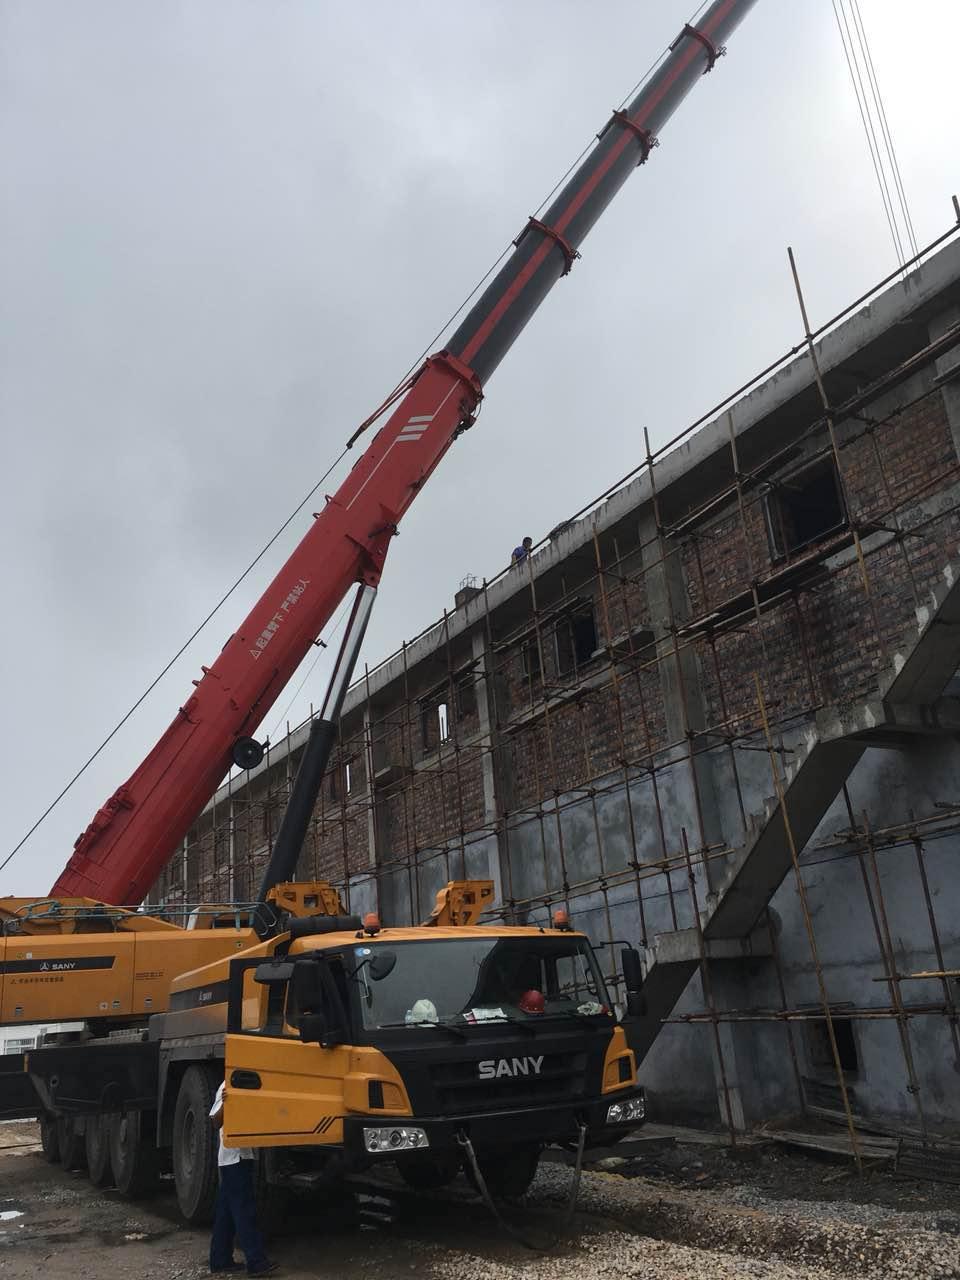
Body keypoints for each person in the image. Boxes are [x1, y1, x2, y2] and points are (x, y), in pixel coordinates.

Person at [209, 1080, 276, 1276]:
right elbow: (215, 1121)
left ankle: (219, 1260)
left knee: (226, 1214)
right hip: (233, 1158)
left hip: (242, 1156)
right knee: (244, 1211)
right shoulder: (227, 1085)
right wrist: (226, 1102)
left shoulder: (246, 1084)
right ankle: (256, 1262)